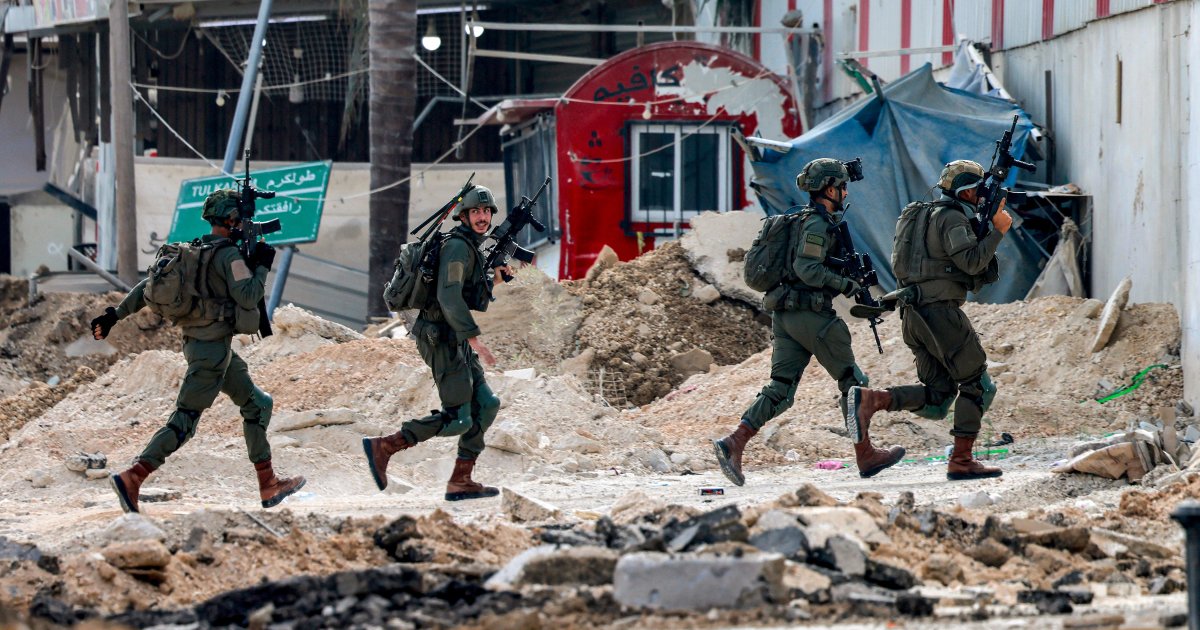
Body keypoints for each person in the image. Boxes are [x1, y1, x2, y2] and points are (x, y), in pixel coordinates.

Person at [91, 189, 305, 512]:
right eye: (239, 220)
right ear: (231, 221)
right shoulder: (229, 257)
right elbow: (248, 297)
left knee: (258, 405)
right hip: (211, 355)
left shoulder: (192, 250)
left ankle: (268, 484)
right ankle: (134, 476)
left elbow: (145, 289)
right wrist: (262, 266)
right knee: (184, 422)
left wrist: (114, 315)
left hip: (206, 347)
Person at [713, 158, 904, 486]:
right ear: (830, 189)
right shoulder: (817, 224)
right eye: (842, 187)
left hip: (785, 316)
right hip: (811, 315)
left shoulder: (796, 220)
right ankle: (866, 454)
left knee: (781, 389)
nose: (845, 192)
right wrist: (847, 285)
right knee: (853, 383)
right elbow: (807, 269)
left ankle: (734, 443)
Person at [845, 160, 1012, 480]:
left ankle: (871, 401)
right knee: (977, 384)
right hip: (940, 313)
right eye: (977, 191)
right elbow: (973, 262)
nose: (980, 197)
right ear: (965, 191)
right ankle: (962, 460)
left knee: (938, 396)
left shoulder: (921, 214)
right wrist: (998, 231)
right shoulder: (951, 219)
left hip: (912, 313)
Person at [362, 185, 513, 501]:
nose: (482, 217)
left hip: (454, 337)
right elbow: (448, 296)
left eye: (486, 211)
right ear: (464, 215)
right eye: (475, 212)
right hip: (440, 339)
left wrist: (494, 279)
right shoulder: (457, 247)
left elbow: (468, 296)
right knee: (458, 418)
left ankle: (461, 479)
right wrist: (473, 336)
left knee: (487, 405)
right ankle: (385, 446)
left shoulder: (470, 247)